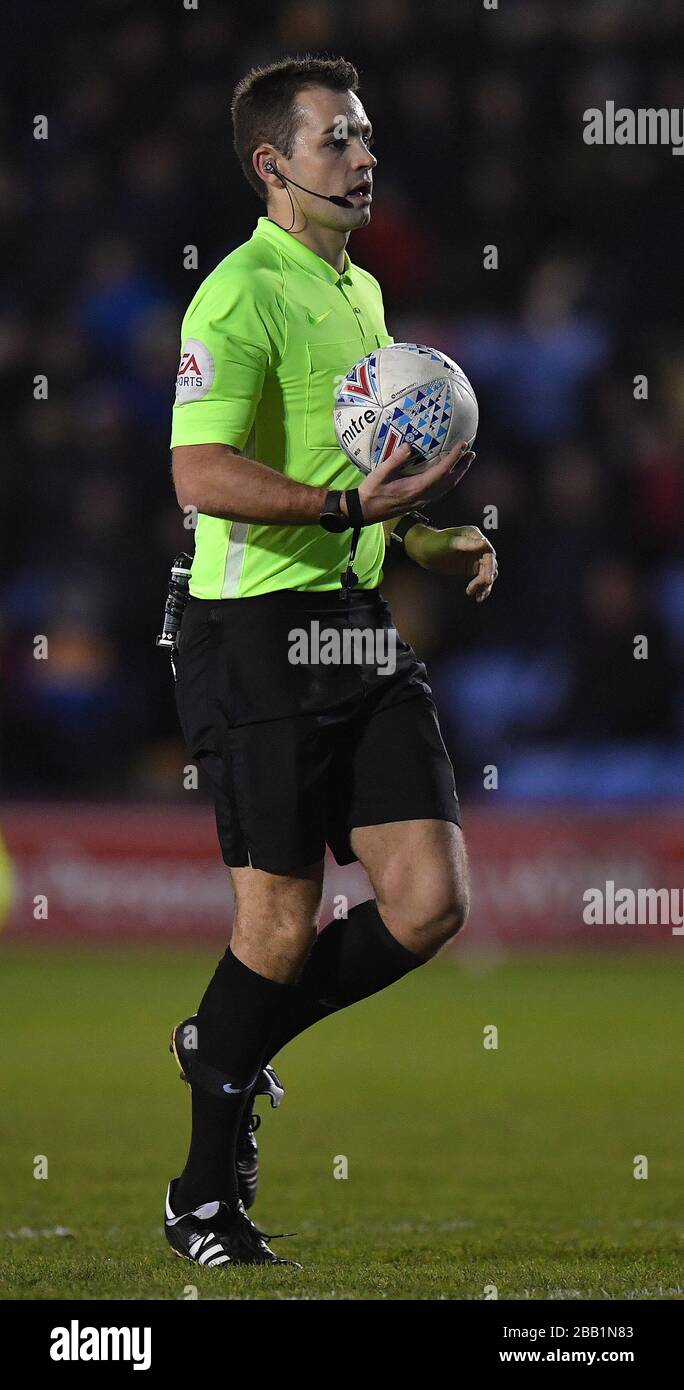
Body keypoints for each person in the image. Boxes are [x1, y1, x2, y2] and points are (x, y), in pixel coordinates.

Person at [164, 55, 498, 1269]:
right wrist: (353, 502)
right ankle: (204, 1200)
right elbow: (199, 478)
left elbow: (361, 482)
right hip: (253, 637)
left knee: (430, 902)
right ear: (273, 165)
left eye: (364, 135)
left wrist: (421, 526)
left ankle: (224, 1044)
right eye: (337, 140)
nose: (364, 156)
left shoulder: (358, 292)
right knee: (282, 928)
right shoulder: (237, 297)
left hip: (355, 625)